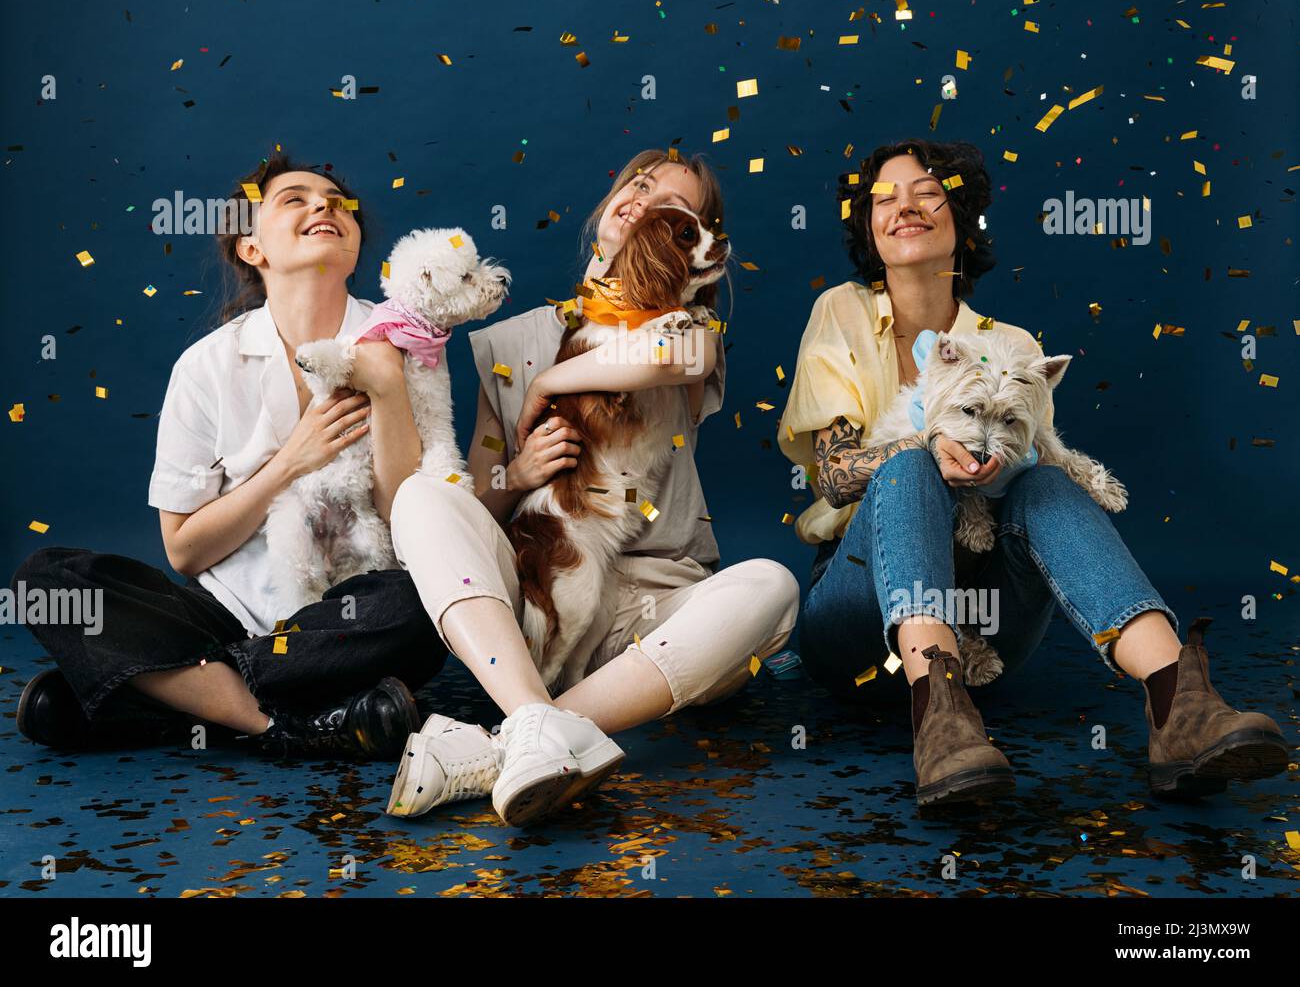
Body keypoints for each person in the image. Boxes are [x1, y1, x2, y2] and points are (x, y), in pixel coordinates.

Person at [777, 138, 1287, 806]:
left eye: (928, 192)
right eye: (885, 197)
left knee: (1047, 478)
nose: (906, 206)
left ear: (961, 217)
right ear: (867, 226)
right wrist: (930, 446)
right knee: (905, 470)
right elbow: (834, 478)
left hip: (988, 623)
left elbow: (1035, 467)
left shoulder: (1014, 347)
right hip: (857, 615)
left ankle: (1180, 702)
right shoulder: (839, 311)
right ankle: (938, 711)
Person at [386, 148, 800, 826]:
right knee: (421, 498)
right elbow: (481, 497)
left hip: (657, 614)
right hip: (540, 592)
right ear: (610, 201)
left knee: (773, 591)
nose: (647, 199)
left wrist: (550, 382)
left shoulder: (688, 323)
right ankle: (536, 723)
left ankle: (514, 735)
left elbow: (674, 357)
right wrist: (516, 474)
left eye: (677, 206)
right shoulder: (509, 341)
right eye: (639, 183)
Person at [13, 153, 447, 760]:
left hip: (351, 612)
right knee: (51, 577)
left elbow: (411, 523)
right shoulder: (204, 365)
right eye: (295, 198)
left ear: (354, 247)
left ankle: (162, 696)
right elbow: (185, 551)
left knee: (422, 605)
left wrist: (389, 386)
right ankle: (280, 725)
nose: (325, 206)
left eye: (336, 202)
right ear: (252, 249)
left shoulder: (406, 342)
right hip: (226, 610)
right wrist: (290, 462)